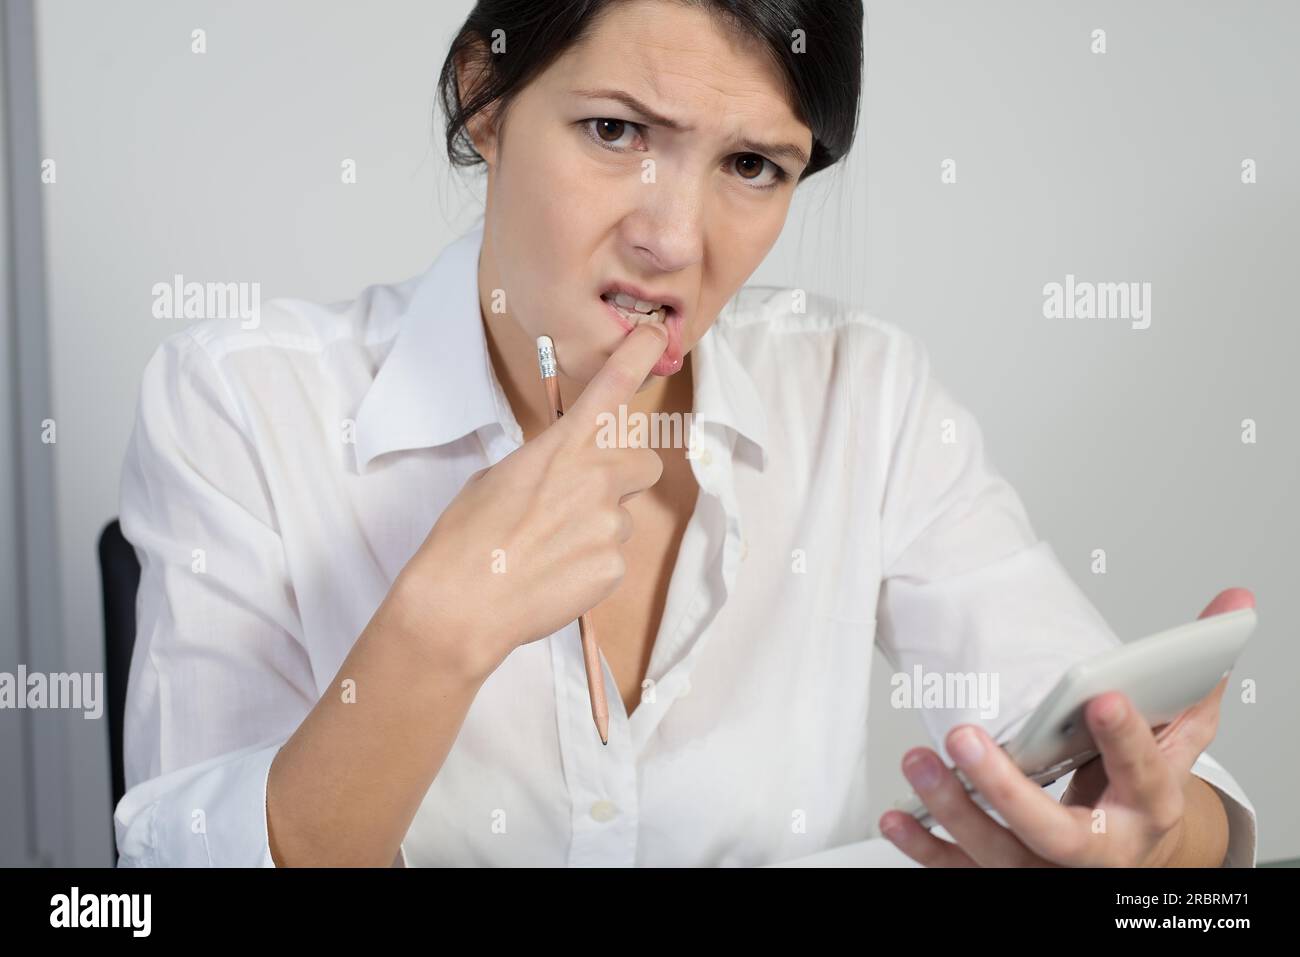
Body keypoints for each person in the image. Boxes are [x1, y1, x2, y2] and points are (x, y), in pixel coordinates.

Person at [113, 0, 1256, 867]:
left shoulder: (857, 391)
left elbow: (1103, 762)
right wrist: (436, 629)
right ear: (487, 92)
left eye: (751, 167)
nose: (672, 239)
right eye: (615, 131)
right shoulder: (243, 403)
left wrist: (1151, 844)